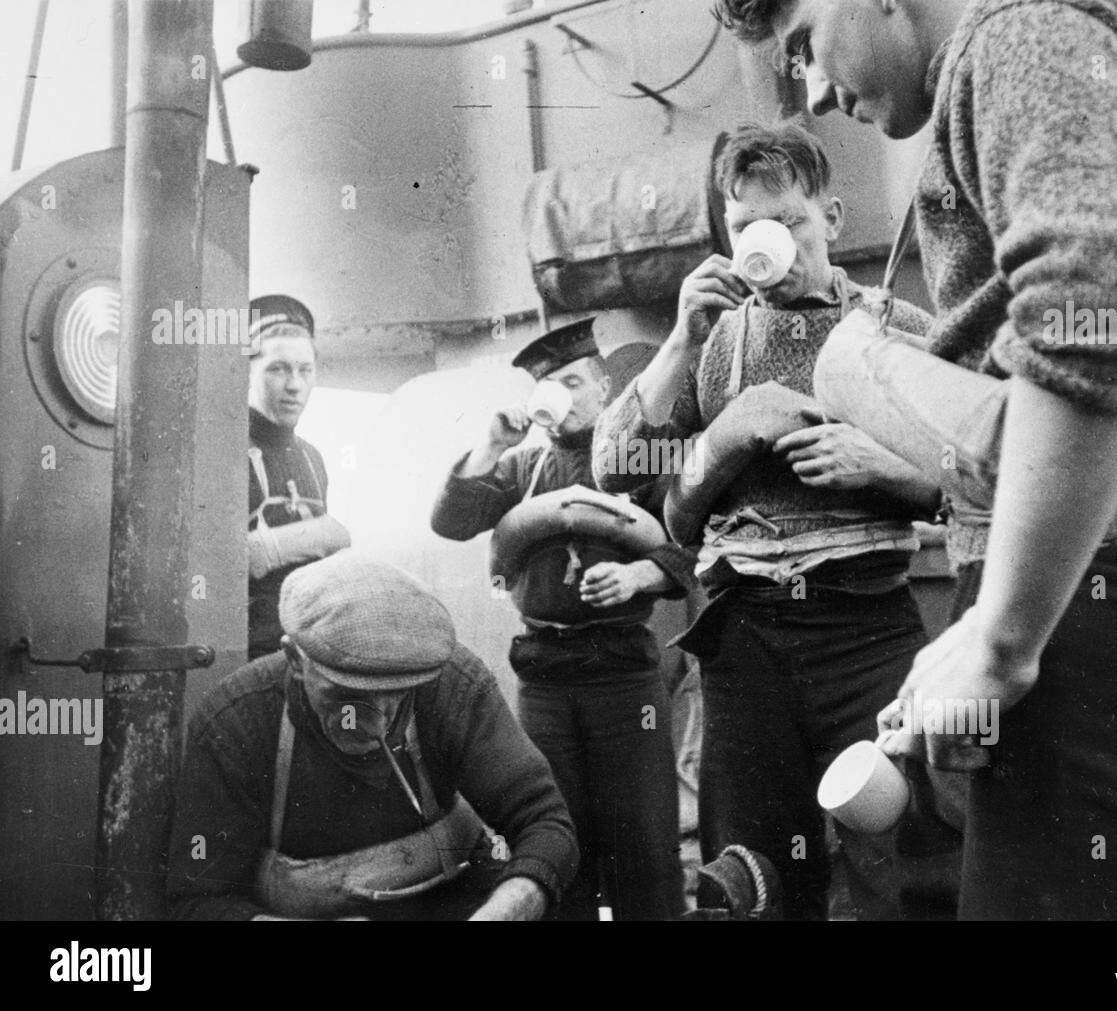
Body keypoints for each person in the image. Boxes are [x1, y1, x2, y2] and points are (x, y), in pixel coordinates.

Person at [713, 0, 1117, 919]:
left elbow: (1111, 317)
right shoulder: (1011, 57)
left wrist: (1003, 639)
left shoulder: (1021, 35)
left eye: (803, 45)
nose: (816, 92)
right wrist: (987, 629)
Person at [593, 121, 946, 920]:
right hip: (747, 638)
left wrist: (887, 470)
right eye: (744, 223)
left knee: (906, 863)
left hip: (870, 629)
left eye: (785, 221)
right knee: (748, 881)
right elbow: (616, 468)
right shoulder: (714, 341)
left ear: (833, 218)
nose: (766, 241)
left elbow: (986, 473)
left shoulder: (897, 328)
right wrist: (684, 352)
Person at [429, 318, 694, 921]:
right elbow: (451, 522)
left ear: (605, 390)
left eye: (574, 381)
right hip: (545, 676)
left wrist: (639, 576)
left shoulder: (638, 460)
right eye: (550, 385)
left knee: (645, 840)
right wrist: (491, 444)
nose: (564, 397)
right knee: (556, 830)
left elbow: (691, 544)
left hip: (624, 676)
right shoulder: (521, 471)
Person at [167, 551, 578, 921]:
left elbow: (545, 823)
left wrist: (507, 910)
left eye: (396, 696)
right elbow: (197, 899)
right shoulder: (236, 721)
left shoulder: (452, 686)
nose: (376, 723)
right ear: (295, 658)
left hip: (455, 901)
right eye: (348, 696)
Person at [246, 294, 350, 660]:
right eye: (278, 369)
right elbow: (208, 568)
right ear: (246, 371)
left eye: (305, 370)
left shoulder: (312, 458)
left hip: (307, 650)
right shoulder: (222, 452)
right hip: (246, 653)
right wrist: (310, 537)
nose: (294, 385)